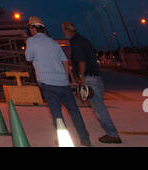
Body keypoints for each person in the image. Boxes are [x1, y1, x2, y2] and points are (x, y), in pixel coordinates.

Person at [24, 16, 91, 146]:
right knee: (75, 112)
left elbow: (28, 57)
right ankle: (85, 139)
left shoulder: (31, 41)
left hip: (47, 82)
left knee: (57, 114)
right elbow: (65, 61)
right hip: (62, 82)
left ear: (33, 28)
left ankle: (63, 141)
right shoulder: (53, 42)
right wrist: (64, 77)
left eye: (30, 28)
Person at [62, 22, 121, 143]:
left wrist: (80, 77)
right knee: (100, 106)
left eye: (64, 31)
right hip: (95, 76)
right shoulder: (83, 39)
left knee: (99, 108)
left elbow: (81, 60)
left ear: (68, 31)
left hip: (89, 78)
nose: (64, 34)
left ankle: (112, 134)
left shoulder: (75, 42)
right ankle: (111, 133)